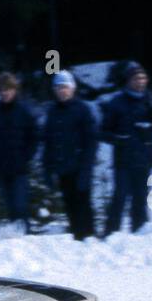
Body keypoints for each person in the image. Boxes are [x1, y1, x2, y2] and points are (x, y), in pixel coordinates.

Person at [99, 62, 152, 236]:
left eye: (143, 78)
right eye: (136, 78)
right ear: (128, 81)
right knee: (120, 197)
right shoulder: (117, 102)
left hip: (144, 158)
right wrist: (117, 139)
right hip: (123, 159)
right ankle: (110, 234)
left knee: (140, 199)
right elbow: (102, 131)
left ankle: (139, 234)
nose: (140, 82)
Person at [42, 71, 97, 240]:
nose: (62, 91)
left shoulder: (83, 110)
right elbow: (49, 142)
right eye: (58, 87)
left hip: (80, 168)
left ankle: (89, 239)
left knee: (83, 206)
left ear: (72, 89)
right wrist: (47, 169)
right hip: (62, 168)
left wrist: (86, 169)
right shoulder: (52, 112)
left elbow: (91, 142)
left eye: (65, 87)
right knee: (70, 206)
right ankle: (77, 240)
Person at [0, 73, 38, 238]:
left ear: (15, 90)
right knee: (10, 207)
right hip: (1, 168)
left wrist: (26, 156)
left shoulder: (23, 111)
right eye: (2, 89)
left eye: (8, 89)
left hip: (19, 167)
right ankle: (16, 241)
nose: (5, 93)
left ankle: (26, 237)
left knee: (21, 206)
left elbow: (34, 137)